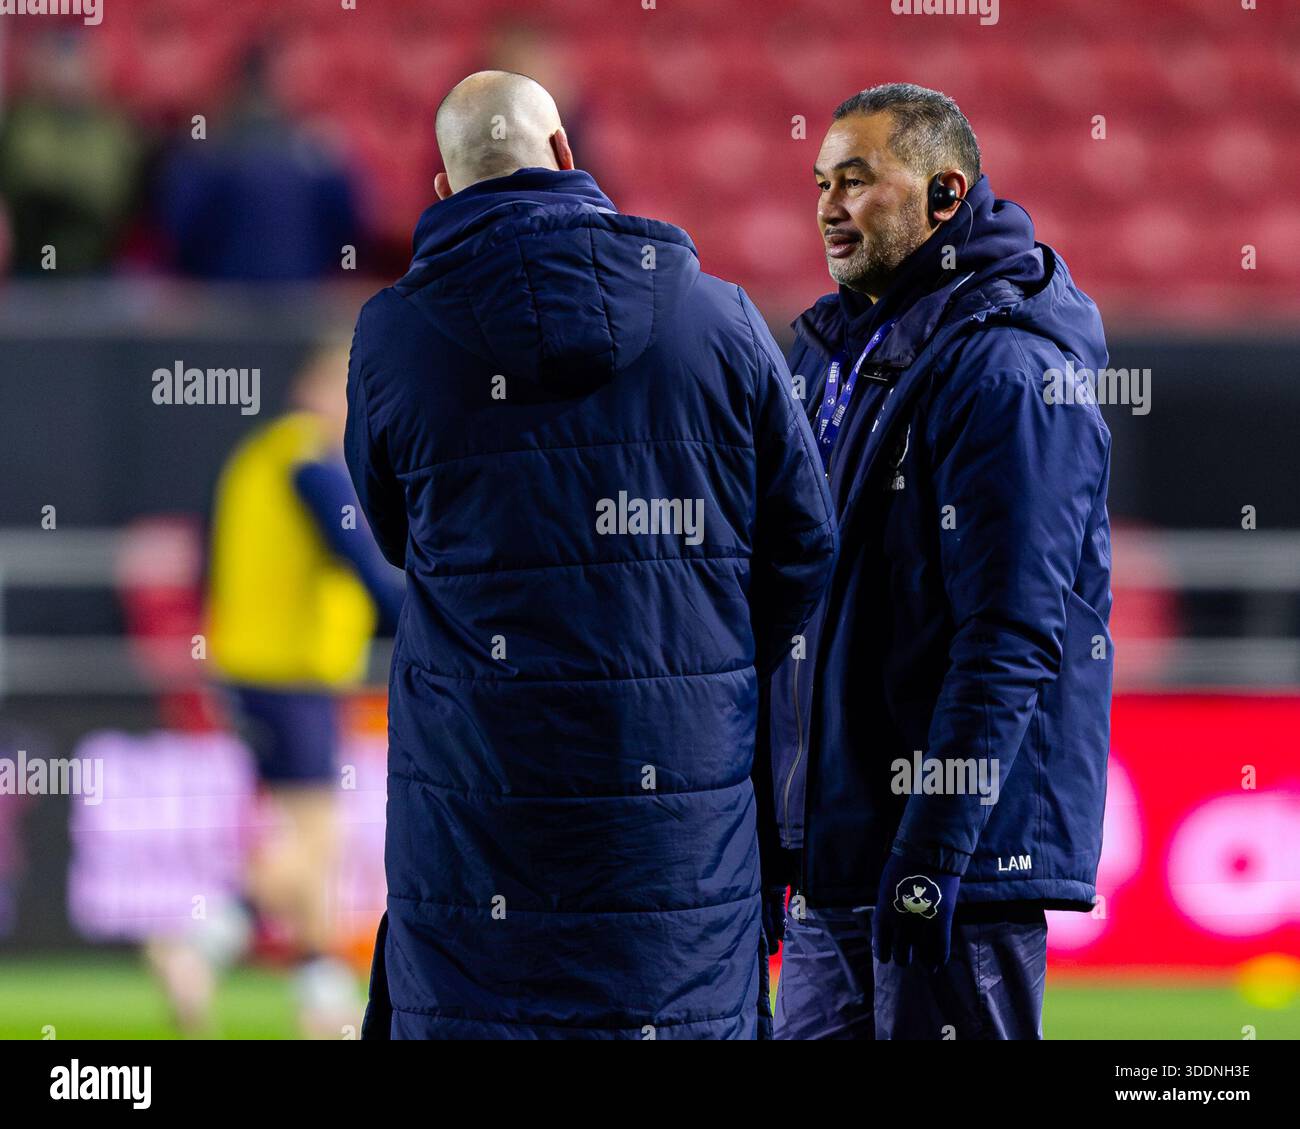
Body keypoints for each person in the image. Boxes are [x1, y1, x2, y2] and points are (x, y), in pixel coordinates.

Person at [346, 70, 836, 1039]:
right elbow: (804, 542)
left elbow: (398, 536)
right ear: (567, 153)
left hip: (477, 816)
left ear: (443, 192)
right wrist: (709, 655)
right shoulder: (719, 318)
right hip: (679, 824)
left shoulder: (393, 337)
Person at [769, 84, 1112, 1040]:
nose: (831, 205)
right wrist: (776, 834)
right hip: (837, 858)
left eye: (858, 181)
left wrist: (933, 853)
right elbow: (799, 609)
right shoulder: (829, 356)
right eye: (822, 183)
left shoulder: (1010, 369)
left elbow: (1009, 636)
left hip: (948, 871)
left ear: (946, 194)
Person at [148, 342, 403, 1038]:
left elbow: (207, 555)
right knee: (314, 838)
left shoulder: (257, 456)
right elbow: (368, 569)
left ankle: (320, 1000)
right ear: (325, 389)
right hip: (292, 675)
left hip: (249, 668)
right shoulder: (311, 462)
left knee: (306, 832)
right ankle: (199, 942)